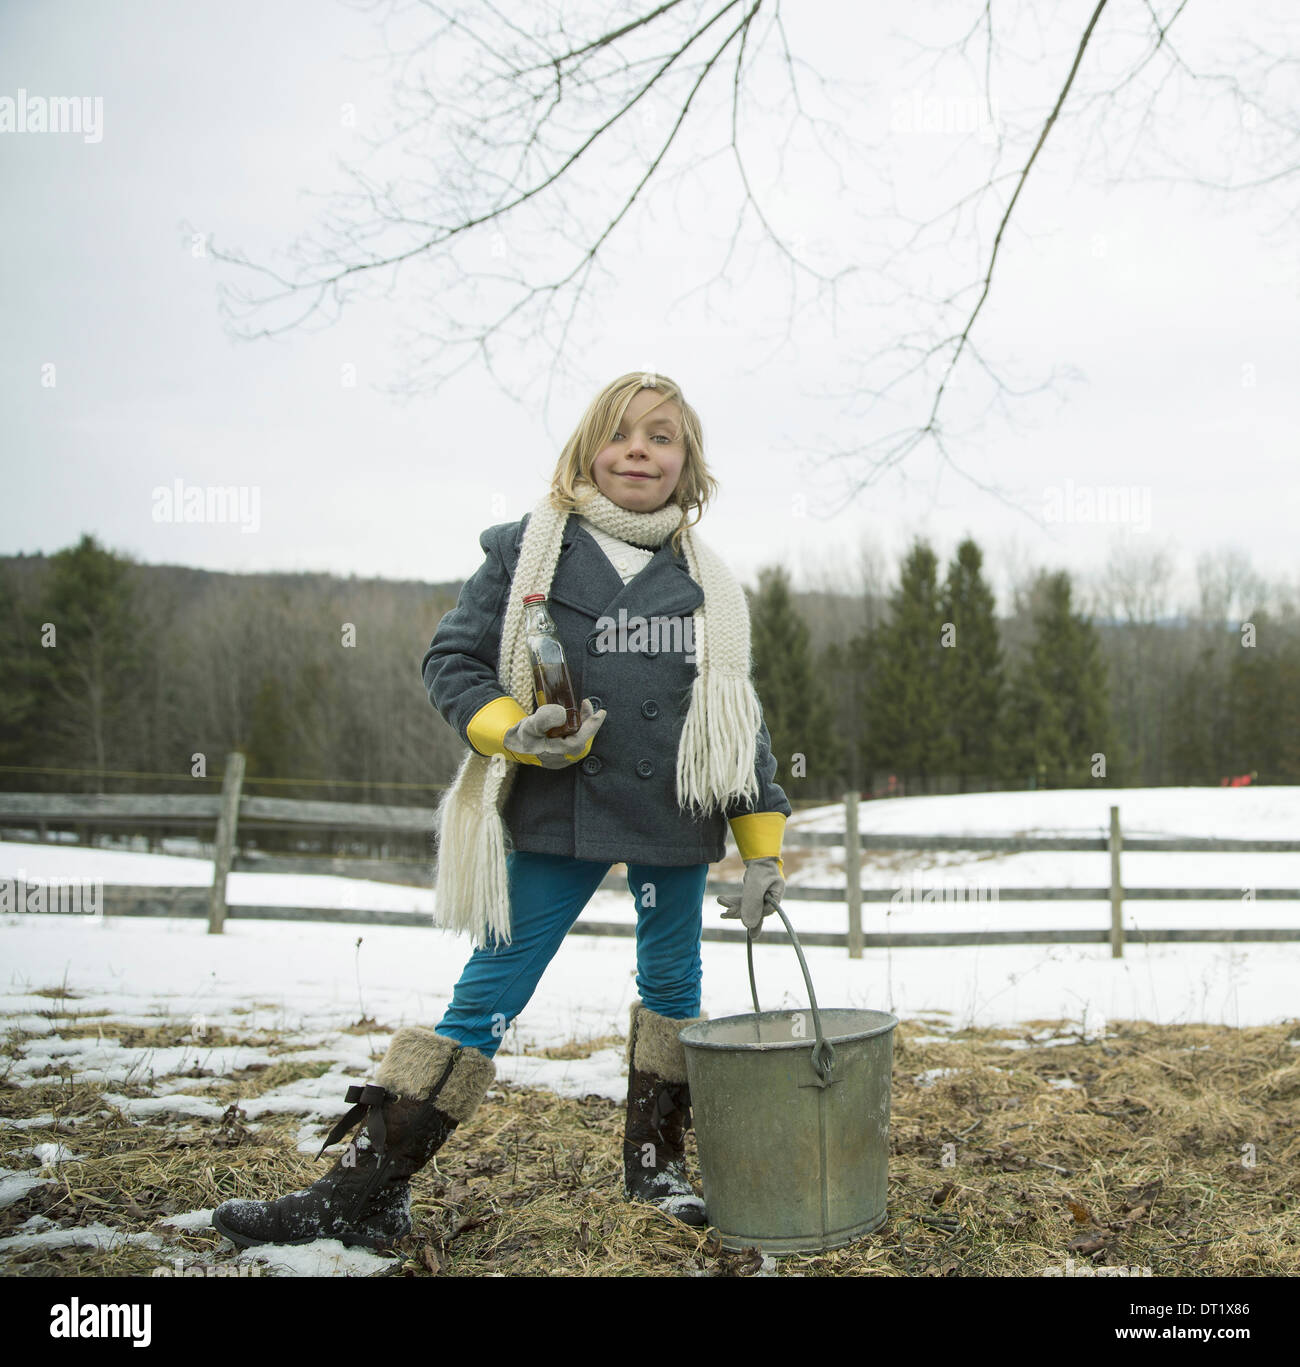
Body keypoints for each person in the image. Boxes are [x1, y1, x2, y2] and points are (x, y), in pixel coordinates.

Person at [212, 372, 791, 1251]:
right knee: (488, 992)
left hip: (676, 821)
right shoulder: (530, 549)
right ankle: (367, 1187)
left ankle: (657, 1166)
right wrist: (513, 733)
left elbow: (736, 726)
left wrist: (763, 850)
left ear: (689, 464)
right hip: (559, 810)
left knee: (674, 993)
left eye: (663, 436)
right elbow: (452, 661)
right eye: (622, 432)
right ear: (587, 450)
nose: (641, 449)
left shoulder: (708, 584)